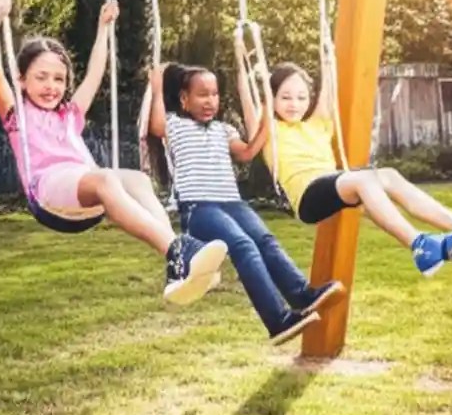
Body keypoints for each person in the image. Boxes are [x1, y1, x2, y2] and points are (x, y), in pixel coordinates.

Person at [0, 0, 227, 305]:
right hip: (49, 192)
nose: (51, 86)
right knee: (105, 178)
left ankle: (177, 264)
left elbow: (95, 74)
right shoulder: (18, 114)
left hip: (85, 187)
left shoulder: (69, 115)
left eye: (58, 78)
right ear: (22, 79)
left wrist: (103, 29)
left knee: (137, 179)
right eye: (41, 77)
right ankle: (179, 249)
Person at [243, 44, 452, 278]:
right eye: (285, 97)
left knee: (389, 175)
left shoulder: (318, 123)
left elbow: (329, 90)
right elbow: (249, 100)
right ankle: (419, 245)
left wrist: (328, 61)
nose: (294, 103)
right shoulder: (269, 131)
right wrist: (241, 56)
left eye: (301, 97)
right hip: (307, 196)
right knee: (363, 177)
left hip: (334, 186)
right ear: (272, 98)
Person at [147, 61, 345, 346]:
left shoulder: (224, 130)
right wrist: (155, 87)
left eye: (214, 94)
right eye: (202, 95)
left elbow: (249, 151)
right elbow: (156, 126)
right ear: (184, 99)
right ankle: (277, 320)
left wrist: (266, 107)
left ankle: (302, 295)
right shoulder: (176, 125)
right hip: (200, 208)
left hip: (233, 204)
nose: (210, 101)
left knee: (266, 240)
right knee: (244, 246)